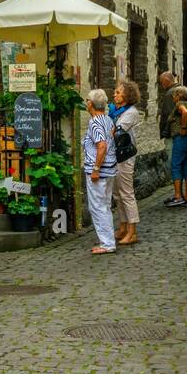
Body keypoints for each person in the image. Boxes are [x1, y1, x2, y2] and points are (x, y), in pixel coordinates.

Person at [83, 88, 118, 255]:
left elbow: (102, 146)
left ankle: (107, 243)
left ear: (90, 104)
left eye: (86, 101)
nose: (85, 103)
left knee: (98, 207)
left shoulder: (95, 122)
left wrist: (96, 168)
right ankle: (108, 240)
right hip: (110, 169)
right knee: (105, 206)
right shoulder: (108, 119)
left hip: (99, 171)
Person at [158, 69, 187, 205]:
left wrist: (181, 128)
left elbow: (170, 115)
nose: (160, 84)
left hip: (177, 136)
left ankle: (178, 195)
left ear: (166, 81)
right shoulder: (184, 91)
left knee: (175, 165)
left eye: (161, 82)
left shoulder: (172, 94)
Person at [112, 79, 141, 247]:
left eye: (118, 92)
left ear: (127, 95)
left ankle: (132, 231)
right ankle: (123, 226)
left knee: (127, 193)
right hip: (115, 156)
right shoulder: (118, 111)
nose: (114, 94)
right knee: (117, 193)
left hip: (125, 157)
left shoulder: (131, 112)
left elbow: (115, 131)